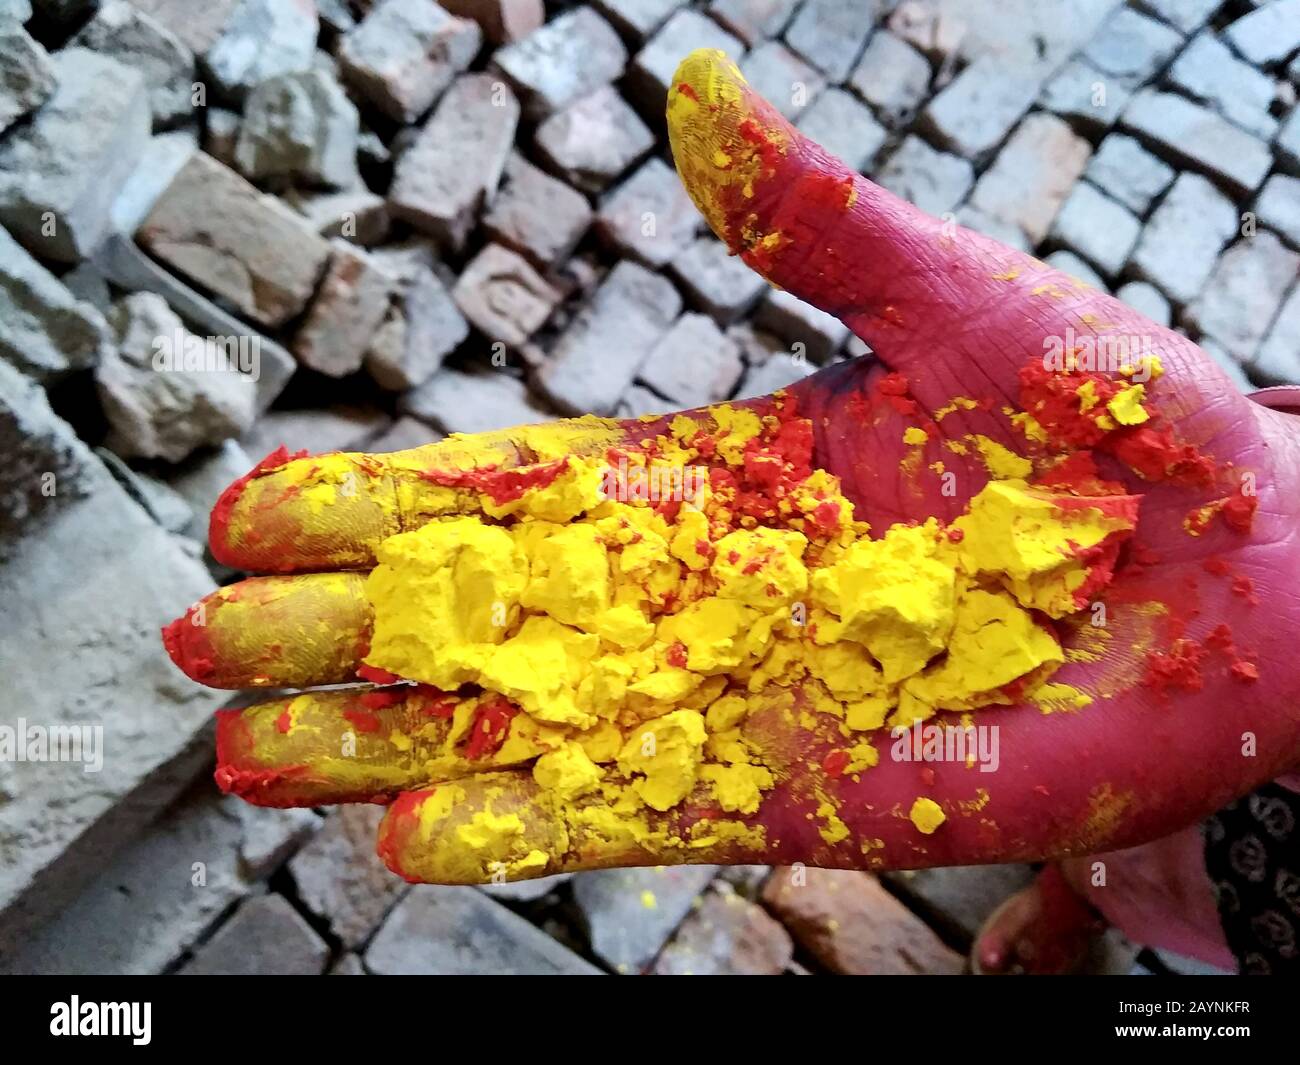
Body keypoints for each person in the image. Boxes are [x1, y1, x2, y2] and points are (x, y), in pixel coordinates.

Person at [163, 51, 1300, 974]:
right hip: (1190, 778)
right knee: (1119, 850)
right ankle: (1075, 908)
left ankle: (1099, 910)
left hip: (1249, 908)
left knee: (1160, 880)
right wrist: (1280, 539)